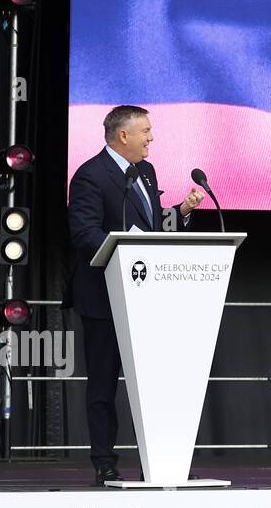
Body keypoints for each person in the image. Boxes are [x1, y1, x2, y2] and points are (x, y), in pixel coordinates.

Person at [66, 105, 205, 484]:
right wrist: (126, 252)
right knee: (103, 387)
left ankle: (157, 462)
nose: (151, 138)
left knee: (154, 387)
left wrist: (182, 211)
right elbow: (83, 233)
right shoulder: (90, 176)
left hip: (148, 298)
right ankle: (105, 463)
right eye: (145, 130)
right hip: (104, 299)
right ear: (123, 135)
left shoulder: (145, 171)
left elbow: (154, 225)